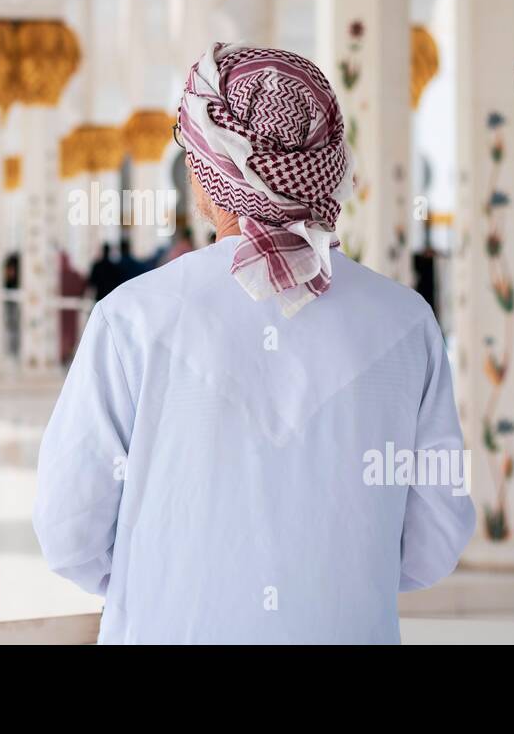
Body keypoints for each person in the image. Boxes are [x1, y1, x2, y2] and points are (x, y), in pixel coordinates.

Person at [34, 43, 474, 644]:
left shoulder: (132, 319)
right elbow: (436, 540)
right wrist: (330, 581)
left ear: (210, 168)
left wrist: (173, 580)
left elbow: (69, 531)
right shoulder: (406, 323)